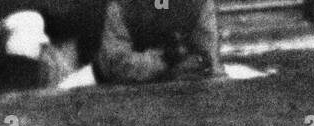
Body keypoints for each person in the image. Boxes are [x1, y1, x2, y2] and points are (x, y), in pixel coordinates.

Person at [93, 0, 223, 86]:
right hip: (131, 95)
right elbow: (114, 64)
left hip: (188, 91)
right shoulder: (122, 7)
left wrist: (197, 63)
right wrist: (165, 61)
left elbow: (208, 58)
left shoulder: (198, 4)